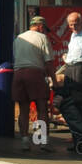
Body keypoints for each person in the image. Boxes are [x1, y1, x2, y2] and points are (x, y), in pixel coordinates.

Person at [12, 15, 52, 151]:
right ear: (40, 26)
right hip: (34, 73)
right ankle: (41, 141)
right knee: (41, 108)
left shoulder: (18, 38)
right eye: (44, 29)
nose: (44, 31)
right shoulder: (42, 38)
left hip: (18, 74)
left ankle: (24, 140)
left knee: (23, 109)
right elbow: (48, 62)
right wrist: (54, 80)